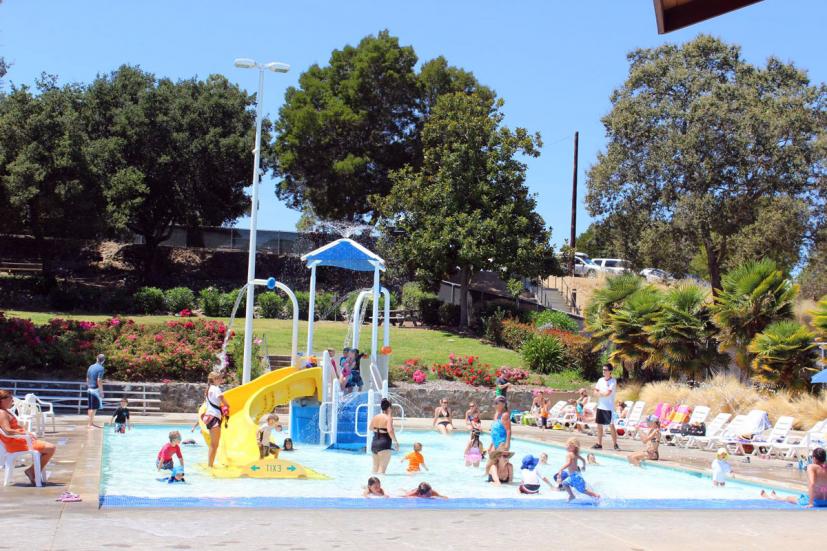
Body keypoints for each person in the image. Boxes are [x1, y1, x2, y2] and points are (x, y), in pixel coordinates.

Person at [0, 389, 57, 485]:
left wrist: (26, 433)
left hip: (20, 441)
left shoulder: (5, 411)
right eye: (10, 398)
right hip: (16, 444)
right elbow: (7, 431)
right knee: (51, 448)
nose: (12, 401)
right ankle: (32, 471)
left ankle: (33, 470)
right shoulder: (2, 413)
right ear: (2, 400)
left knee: (47, 449)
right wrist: (25, 434)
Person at [759, 447, 827, 508]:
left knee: (789, 498)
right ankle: (774, 496)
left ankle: (769, 497)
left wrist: (811, 503)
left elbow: (812, 484)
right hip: (825, 502)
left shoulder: (812, 466)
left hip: (815, 502)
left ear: (814, 458)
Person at [201, 371, 228, 468]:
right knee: (214, 444)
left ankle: (210, 464)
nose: (221, 380)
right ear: (215, 379)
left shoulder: (208, 389)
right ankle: (210, 465)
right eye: (220, 378)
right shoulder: (216, 389)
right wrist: (228, 406)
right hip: (214, 417)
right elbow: (222, 399)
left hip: (209, 417)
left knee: (213, 444)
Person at [592, 364, 619, 451]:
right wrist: (602, 393)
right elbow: (595, 392)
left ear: (610, 371)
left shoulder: (613, 381)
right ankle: (599, 444)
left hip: (609, 407)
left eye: (606, 370)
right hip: (600, 406)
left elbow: (608, 393)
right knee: (599, 425)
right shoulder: (600, 380)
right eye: (603, 369)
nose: (604, 371)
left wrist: (600, 393)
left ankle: (615, 444)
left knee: (611, 426)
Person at [369, 398, 398, 474]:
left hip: (374, 443)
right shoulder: (388, 418)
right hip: (384, 444)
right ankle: (379, 485)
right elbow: (390, 430)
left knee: (375, 469)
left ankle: (370, 485)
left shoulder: (376, 417)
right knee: (382, 470)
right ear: (389, 408)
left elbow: (370, 428)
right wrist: (395, 442)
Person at [86, 353, 106, 429]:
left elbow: (87, 378)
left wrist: (89, 386)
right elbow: (99, 380)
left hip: (89, 389)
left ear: (97, 358)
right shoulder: (101, 368)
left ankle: (91, 423)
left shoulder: (90, 366)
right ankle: (90, 424)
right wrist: (101, 391)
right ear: (103, 360)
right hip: (95, 390)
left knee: (91, 407)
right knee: (93, 408)